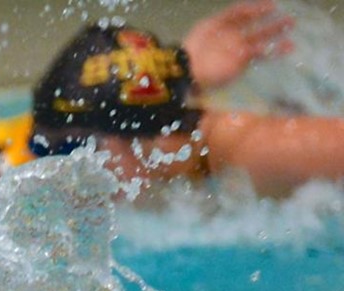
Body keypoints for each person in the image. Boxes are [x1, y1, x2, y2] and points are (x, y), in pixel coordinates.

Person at [31, 2, 344, 196]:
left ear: (134, 139)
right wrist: (182, 75)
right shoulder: (187, 166)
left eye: (69, 152)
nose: (60, 173)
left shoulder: (257, 151)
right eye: (41, 148)